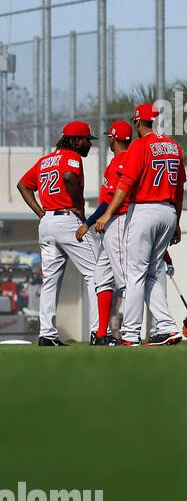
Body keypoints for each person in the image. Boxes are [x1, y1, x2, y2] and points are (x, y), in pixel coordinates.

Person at [95, 103, 185, 347]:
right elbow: (179, 189)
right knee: (153, 273)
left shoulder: (139, 145)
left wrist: (107, 214)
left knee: (135, 274)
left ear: (137, 123)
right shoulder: (174, 146)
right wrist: (177, 221)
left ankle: (130, 334)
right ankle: (166, 327)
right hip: (168, 211)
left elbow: (126, 183)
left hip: (145, 210)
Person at [16, 121, 102, 346]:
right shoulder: (71, 157)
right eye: (85, 140)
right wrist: (80, 207)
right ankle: (98, 331)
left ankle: (47, 334)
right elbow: (68, 177)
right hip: (68, 221)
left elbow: (23, 185)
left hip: (47, 224)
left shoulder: (45, 161)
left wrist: (40, 213)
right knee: (97, 274)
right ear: (74, 140)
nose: (88, 145)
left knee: (50, 281)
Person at [77, 120, 134, 344]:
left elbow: (109, 200)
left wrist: (88, 223)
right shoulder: (126, 159)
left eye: (109, 137)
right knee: (102, 279)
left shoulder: (121, 160)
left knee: (125, 282)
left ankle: (130, 333)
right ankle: (101, 334)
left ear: (113, 138)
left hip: (119, 221)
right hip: (114, 223)